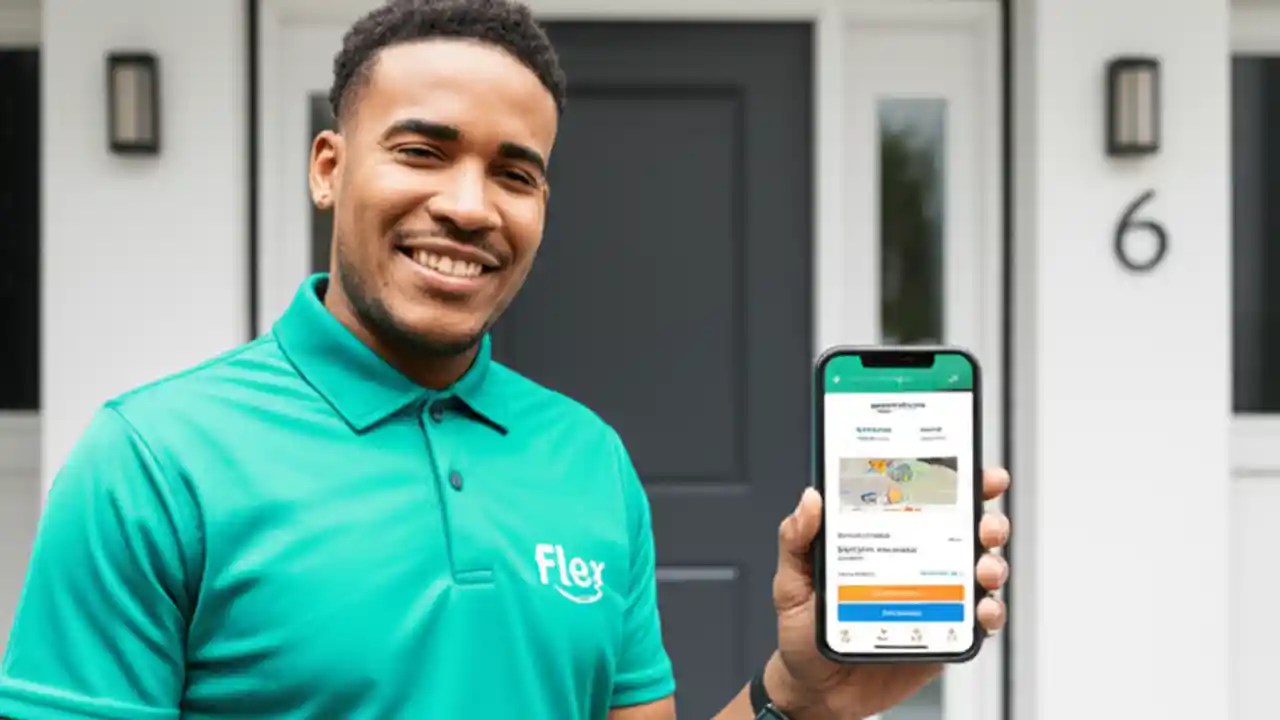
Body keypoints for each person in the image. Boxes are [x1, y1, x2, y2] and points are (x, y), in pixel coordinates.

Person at [0, 0, 1010, 718]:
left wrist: (803, 698)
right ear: (328, 167)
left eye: (514, 173)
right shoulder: (152, 462)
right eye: (422, 151)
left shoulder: (588, 458)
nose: (469, 206)